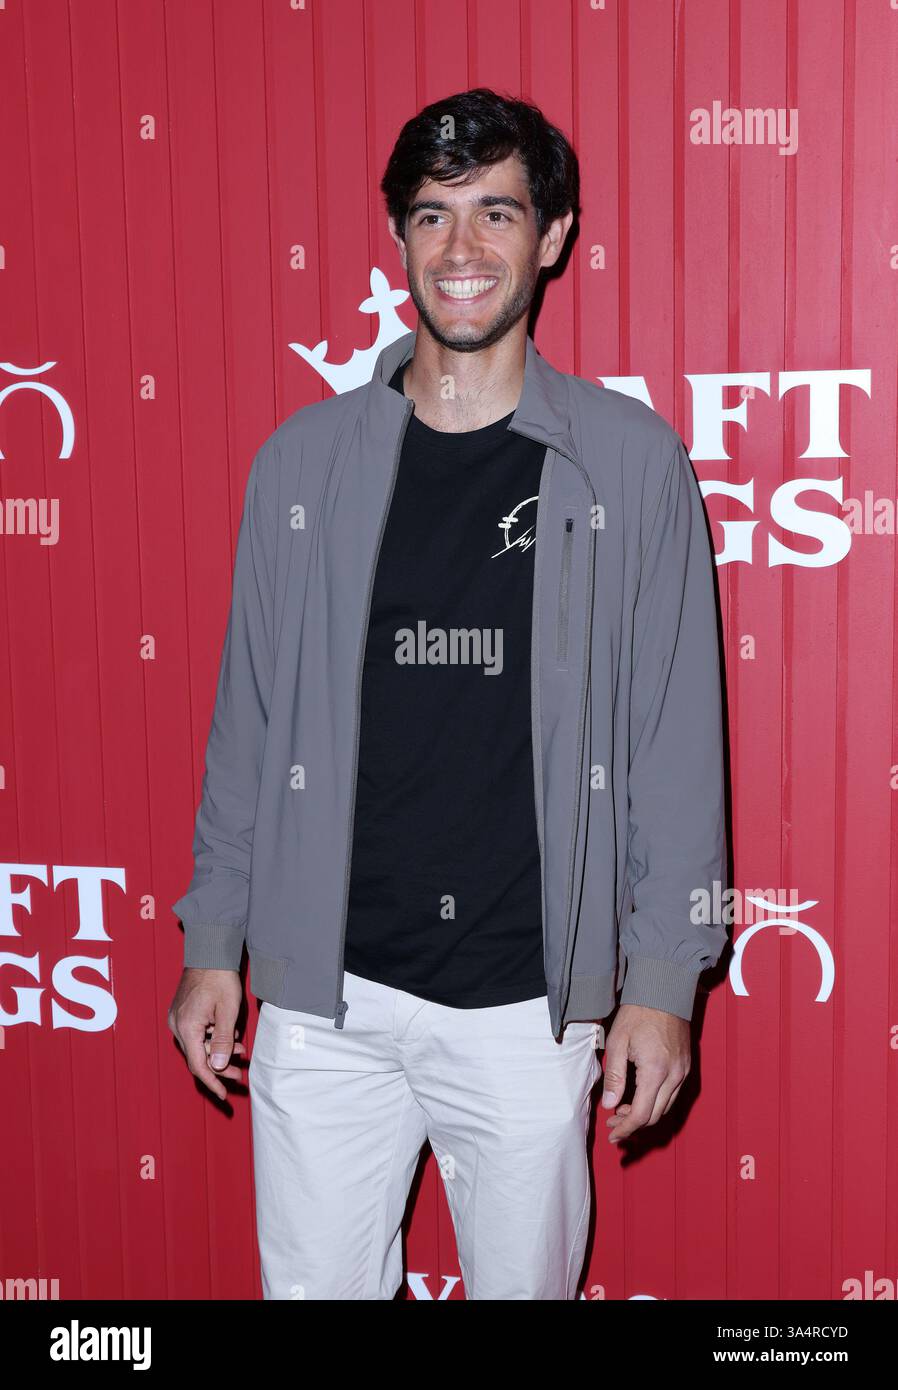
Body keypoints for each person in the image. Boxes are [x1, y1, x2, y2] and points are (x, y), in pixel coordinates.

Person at [168, 87, 727, 1301]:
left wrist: (664, 984)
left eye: (494, 214)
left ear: (555, 235)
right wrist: (215, 939)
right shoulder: (301, 462)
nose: (460, 252)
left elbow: (674, 747)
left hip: (525, 1011)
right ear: (398, 237)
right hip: (323, 1000)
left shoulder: (630, 465)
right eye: (431, 216)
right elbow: (248, 718)